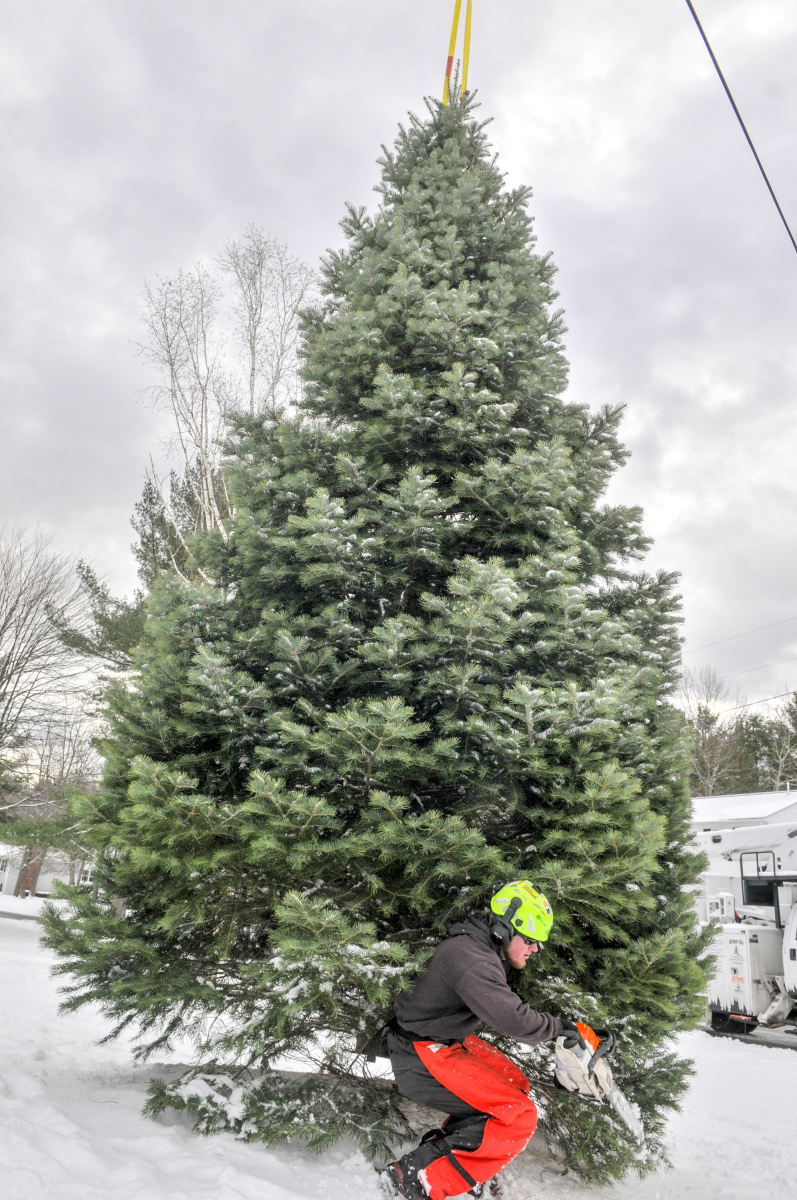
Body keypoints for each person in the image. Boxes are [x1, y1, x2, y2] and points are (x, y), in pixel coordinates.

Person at [381, 880, 586, 1200]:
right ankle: (415, 1179)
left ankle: (451, 1159)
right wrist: (561, 1027)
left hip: (444, 1039)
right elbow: (513, 1019)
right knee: (518, 1116)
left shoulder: (478, 949)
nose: (535, 949)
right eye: (531, 940)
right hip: (421, 1052)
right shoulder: (471, 958)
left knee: (513, 1086)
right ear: (504, 930)